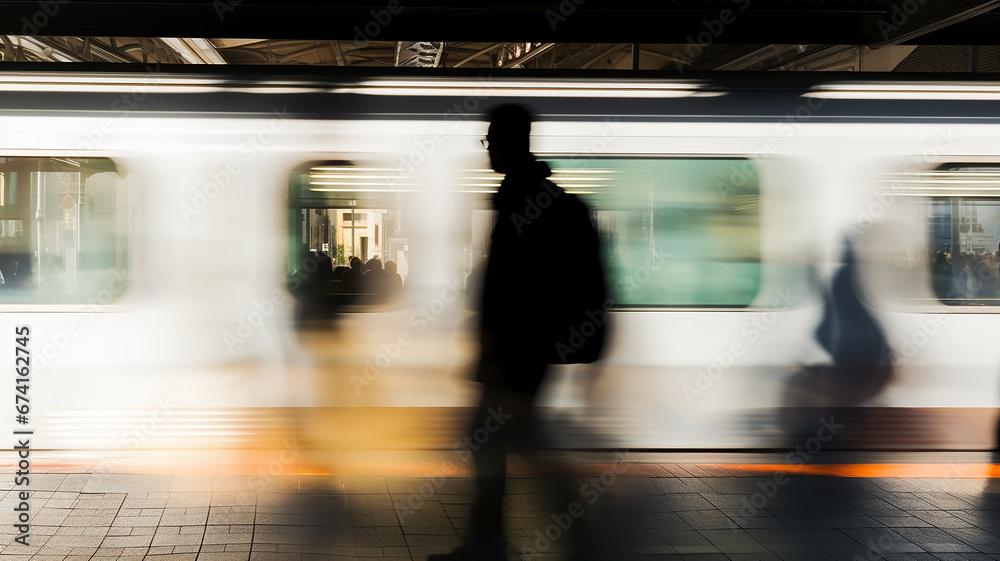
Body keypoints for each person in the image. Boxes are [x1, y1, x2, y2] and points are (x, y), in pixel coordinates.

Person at [428, 104, 607, 560]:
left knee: (498, 438)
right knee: (508, 439)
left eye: (493, 140)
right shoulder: (520, 195)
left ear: (515, 141)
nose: (488, 150)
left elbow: (522, 283)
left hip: (518, 350)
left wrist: (498, 341)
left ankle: (507, 542)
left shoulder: (526, 199)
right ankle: (516, 539)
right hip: (517, 348)